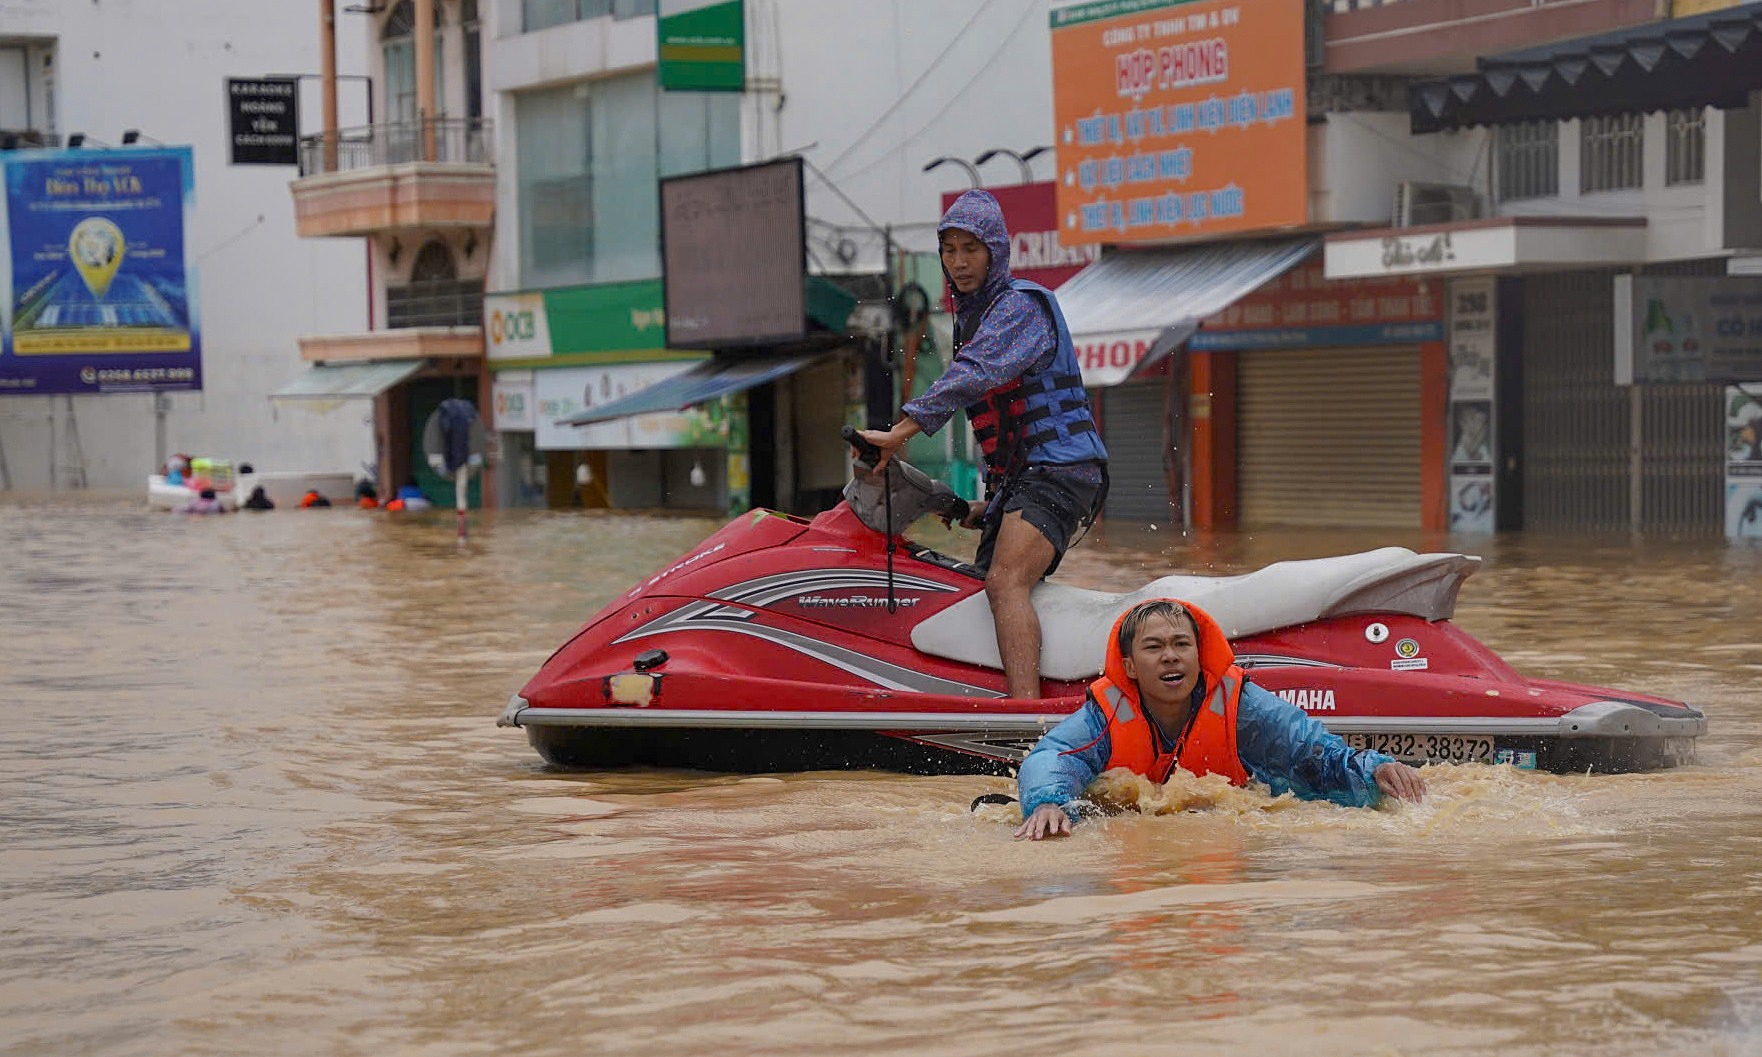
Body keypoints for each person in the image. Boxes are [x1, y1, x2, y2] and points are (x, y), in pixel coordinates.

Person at [857, 189, 1107, 700]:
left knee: (1004, 582)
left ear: (996, 251)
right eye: (949, 250)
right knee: (974, 590)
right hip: (1026, 479)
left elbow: (972, 377)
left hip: (1063, 470)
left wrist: (900, 432)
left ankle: (1026, 724)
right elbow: (1007, 435)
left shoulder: (1020, 306)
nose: (959, 262)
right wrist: (988, 507)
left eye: (971, 249)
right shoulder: (973, 318)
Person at [1014, 598, 1428, 841]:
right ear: (1131, 667)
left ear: (1198, 655)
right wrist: (1047, 802)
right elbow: (1053, 756)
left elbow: (1317, 755)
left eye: (1181, 644)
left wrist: (1377, 770)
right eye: (1154, 647)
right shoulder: (1104, 716)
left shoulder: (1244, 708)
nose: (1170, 656)